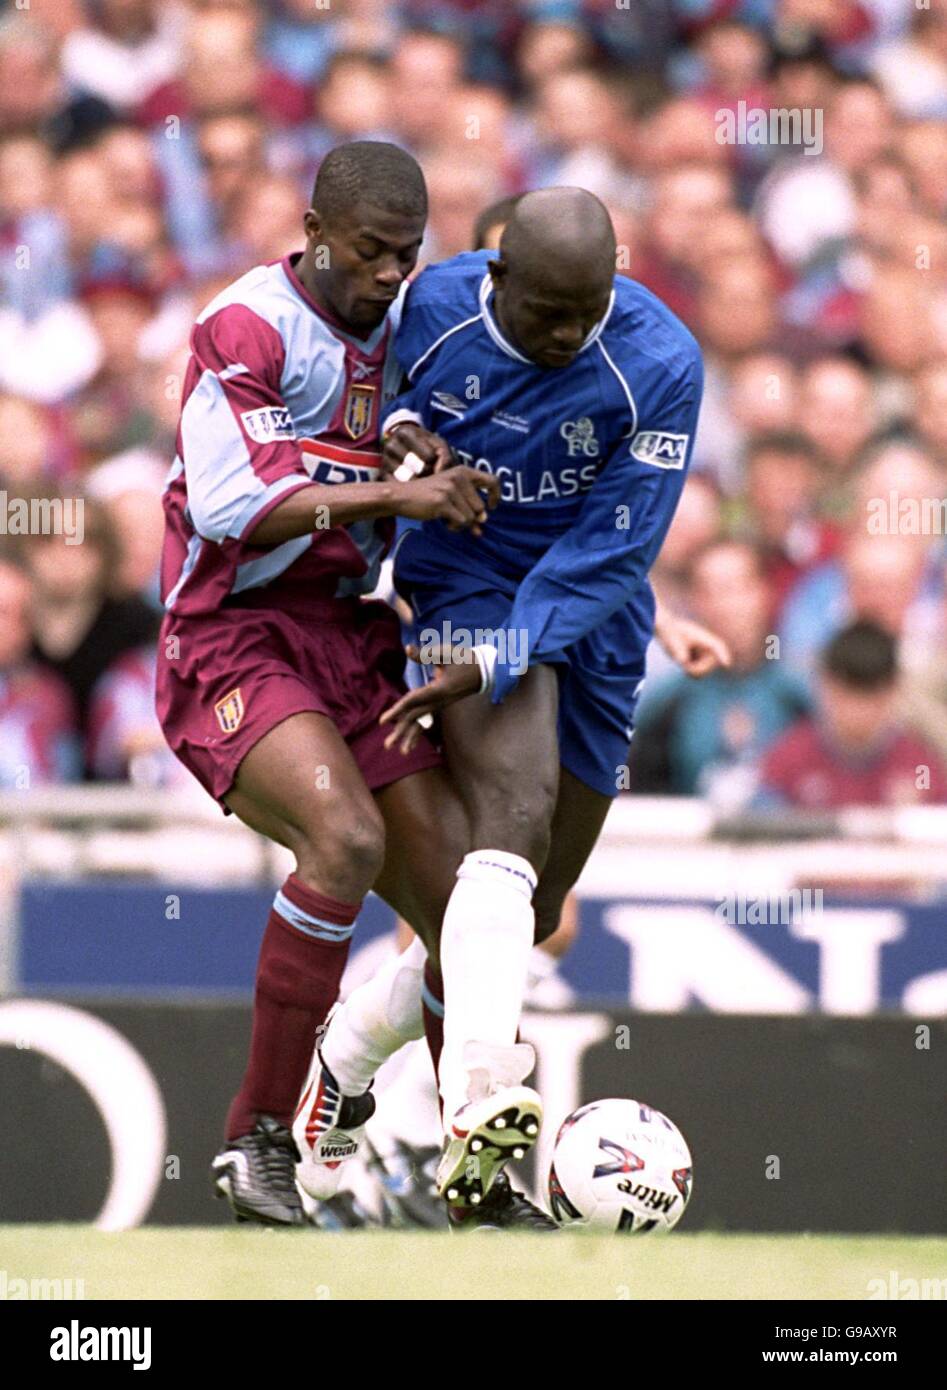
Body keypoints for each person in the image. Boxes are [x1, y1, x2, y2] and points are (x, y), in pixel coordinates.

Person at [315, 187, 705, 1215]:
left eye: (588, 309)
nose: (569, 333)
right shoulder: (435, 306)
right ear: (498, 281)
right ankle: (480, 1093)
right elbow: (383, 393)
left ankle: (345, 1053)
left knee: (528, 910)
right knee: (513, 809)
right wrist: (404, 433)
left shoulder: (660, 361)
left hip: (593, 611)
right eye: (546, 315)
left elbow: (615, 546)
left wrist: (509, 652)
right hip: (464, 576)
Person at [154, 140, 500, 1227]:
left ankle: (471, 1166)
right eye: (370, 254)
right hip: (232, 632)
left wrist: (411, 447)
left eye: (407, 254)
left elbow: (387, 420)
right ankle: (257, 1136)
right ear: (314, 232)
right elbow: (232, 507)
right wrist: (398, 495)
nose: (390, 275)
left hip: (351, 636)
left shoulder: (404, 327)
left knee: (462, 909)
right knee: (343, 841)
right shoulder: (245, 325)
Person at [759, 621, 947, 809]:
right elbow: (759, 823)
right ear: (824, 685)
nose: (858, 711)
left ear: (893, 691)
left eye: (871, 697)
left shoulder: (919, 767)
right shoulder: (789, 760)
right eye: (847, 694)